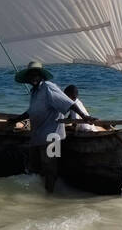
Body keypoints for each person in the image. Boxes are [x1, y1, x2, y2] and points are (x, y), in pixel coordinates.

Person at [10, 61, 89, 192]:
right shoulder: (34, 92)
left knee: (50, 167)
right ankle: (40, 194)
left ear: (41, 76)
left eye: (36, 75)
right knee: (35, 167)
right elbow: (31, 112)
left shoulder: (48, 87)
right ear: (28, 79)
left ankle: (50, 195)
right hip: (38, 136)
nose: (34, 78)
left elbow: (68, 103)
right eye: (31, 76)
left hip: (53, 136)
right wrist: (16, 119)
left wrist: (84, 116)